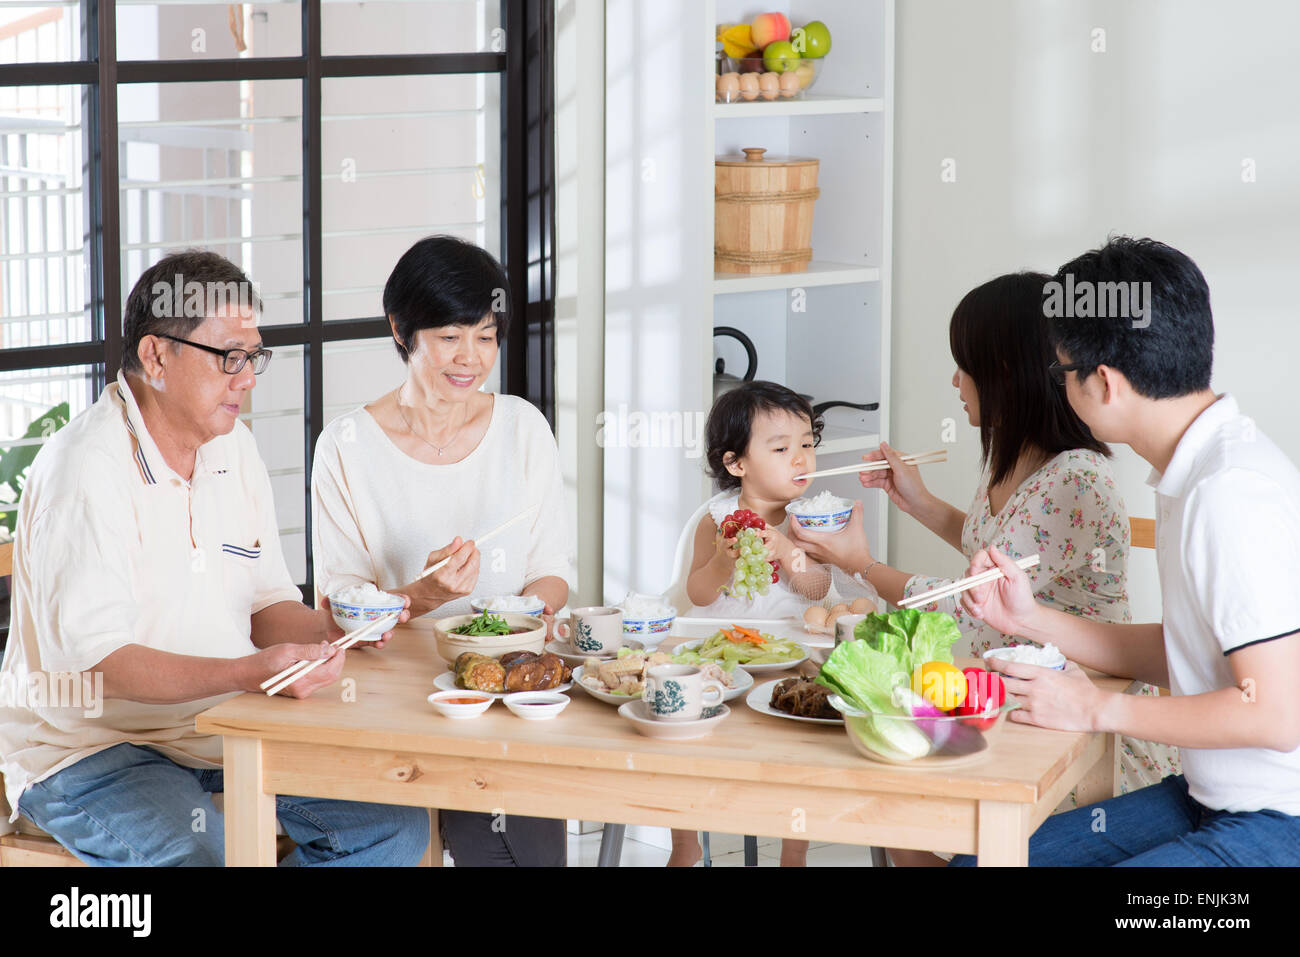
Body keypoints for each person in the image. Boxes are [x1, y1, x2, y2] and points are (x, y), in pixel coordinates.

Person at [0, 251, 428, 865]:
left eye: (254, 357)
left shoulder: (235, 449)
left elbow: (265, 605)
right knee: (203, 855)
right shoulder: (85, 468)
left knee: (390, 826)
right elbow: (100, 665)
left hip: (221, 733)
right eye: (230, 356)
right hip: (90, 753)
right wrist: (247, 674)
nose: (248, 377)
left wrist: (336, 628)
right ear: (156, 357)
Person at [953, 236, 1300, 865]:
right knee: (979, 861)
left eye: (1062, 372)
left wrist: (1095, 707)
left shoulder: (1227, 494)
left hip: (1279, 822)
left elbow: (1277, 714)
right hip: (1208, 796)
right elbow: (1183, 651)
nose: (1058, 386)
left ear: (1105, 383)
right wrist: (1026, 618)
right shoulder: (1192, 468)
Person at [789, 274, 1179, 825]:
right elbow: (991, 549)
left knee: (894, 791)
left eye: (964, 365)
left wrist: (861, 566)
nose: (955, 380)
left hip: (1076, 712)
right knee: (883, 776)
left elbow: (967, 603)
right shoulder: (1017, 457)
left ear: (1004, 373)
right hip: (1012, 685)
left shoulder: (1075, 480)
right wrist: (918, 502)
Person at [311, 235, 574, 866]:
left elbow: (552, 573)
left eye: (486, 337)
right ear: (402, 330)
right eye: (450, 336)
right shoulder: (346, 445)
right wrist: (427, 594)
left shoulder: (523, 429)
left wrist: (516, 625)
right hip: (389, 697)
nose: (471, 358)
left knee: (520, 847)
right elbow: (337, 611)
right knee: (396, 836)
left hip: (504, 686)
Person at [674, 380, 838, 867]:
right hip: (723, 649)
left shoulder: (811, 518)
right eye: (782, 448)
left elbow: (819, 591)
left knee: (803, 737)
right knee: (679, 722)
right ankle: (685, 844)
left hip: (793, 653)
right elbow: (696, 593)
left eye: (808, 444)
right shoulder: (718, 517)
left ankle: (794, 852)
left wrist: (789, 549)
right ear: (736, 464)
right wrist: (724, 563)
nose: (801, 459)